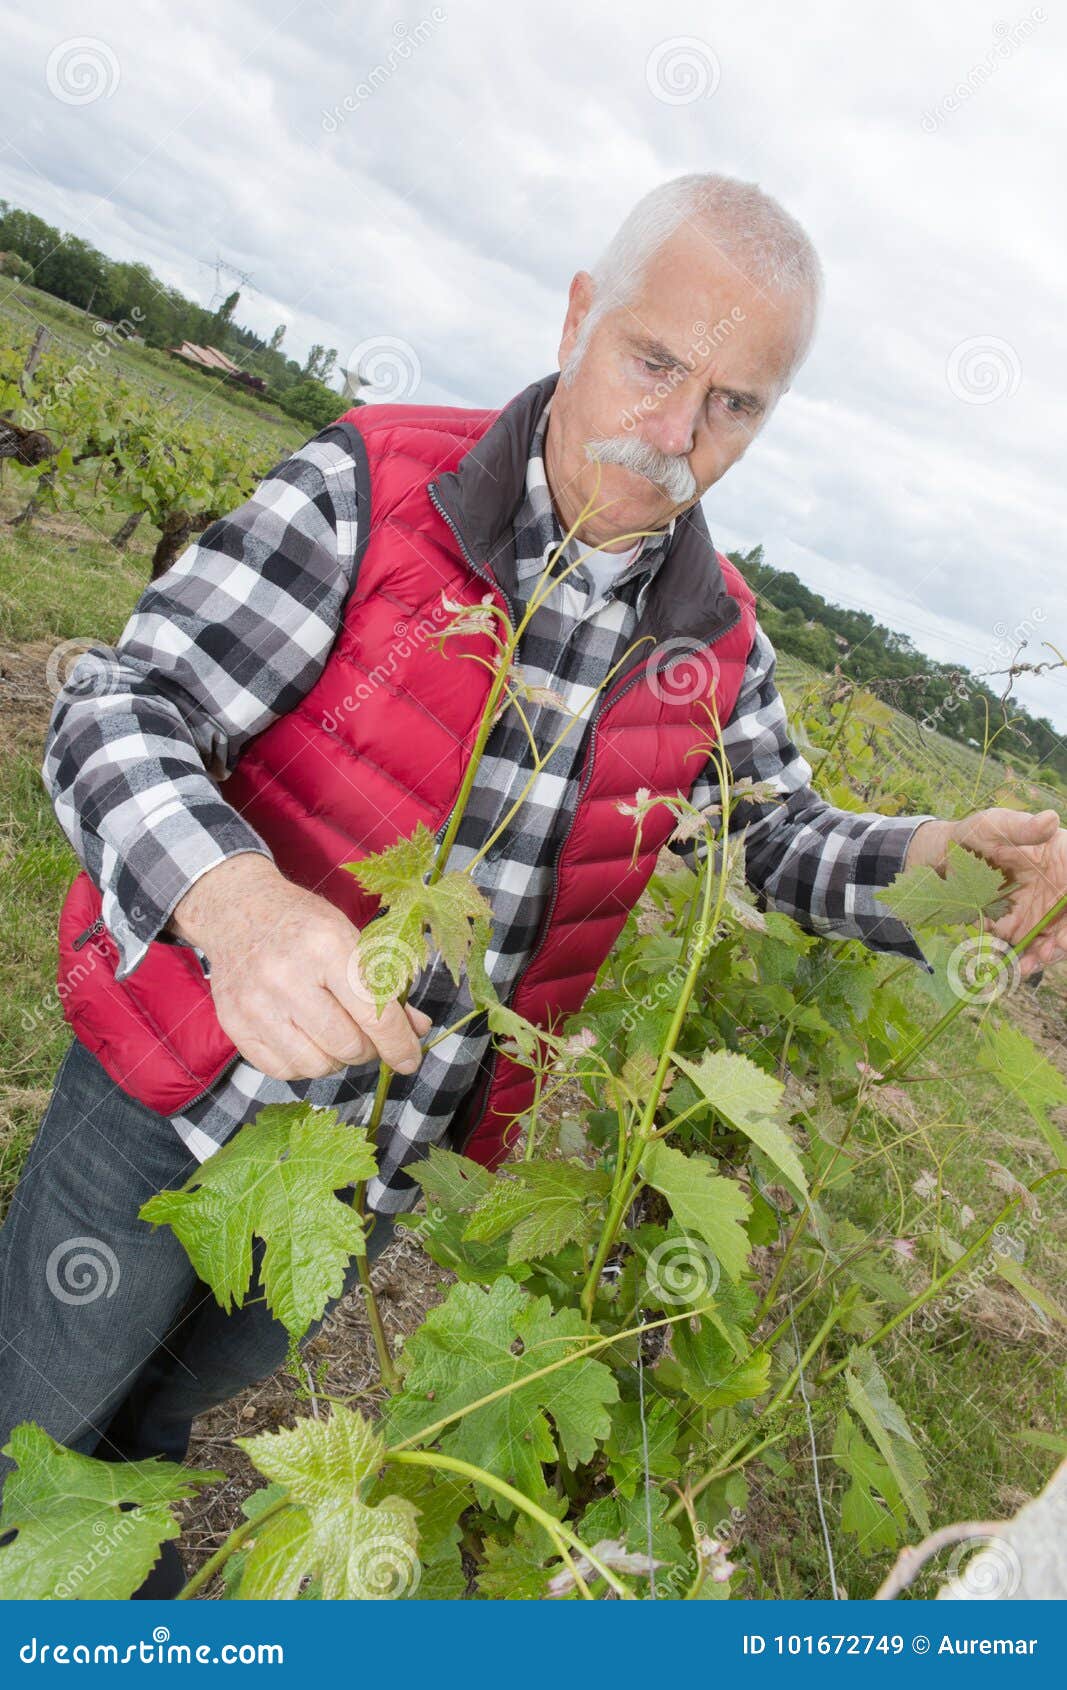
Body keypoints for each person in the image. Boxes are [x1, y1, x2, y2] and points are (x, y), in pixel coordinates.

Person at [2, 173, 1064, 1599]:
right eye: (657, 362)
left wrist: (941, 859)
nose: (679, 433)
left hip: (373, 1173)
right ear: (580, 316)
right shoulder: (377, 490)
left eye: (737, 404)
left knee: (157, 1440)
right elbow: (114, 708)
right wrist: (234, 902)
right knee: (34, 1442)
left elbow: (785, 841)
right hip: (170, 1101)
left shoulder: (715, 638)